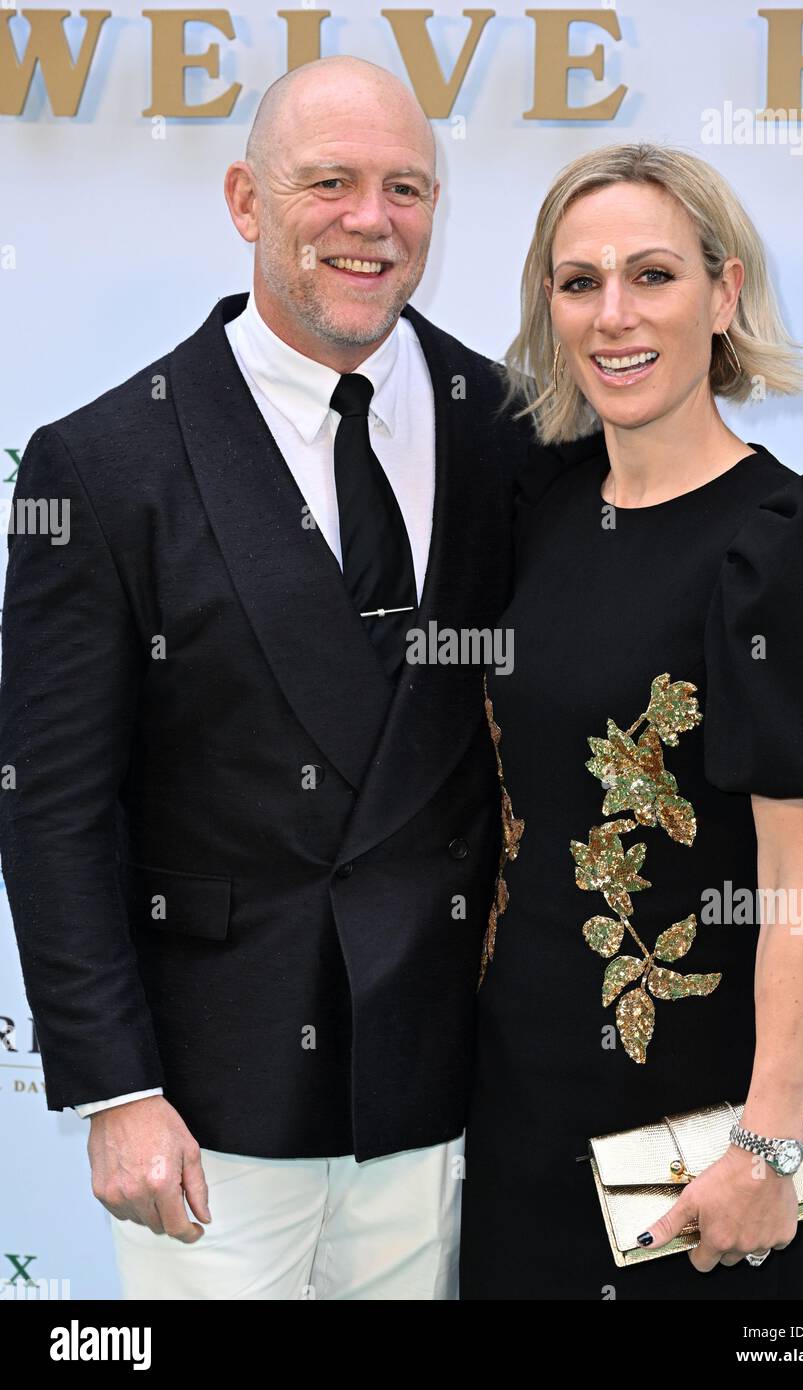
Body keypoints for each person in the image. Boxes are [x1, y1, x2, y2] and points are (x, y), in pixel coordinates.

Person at [0, 55, 532, 1300]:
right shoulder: (103, 461)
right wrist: (117, 1089)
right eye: (330, 182)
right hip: (207, 1112)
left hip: (442, 1089)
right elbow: (54, 802)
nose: (372, 220)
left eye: (407, 188)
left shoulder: (514, 429)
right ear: (247, 199)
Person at [458, 143, 803, 1300]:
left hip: (705, 1146)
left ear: (724, 292)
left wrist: (769, 1145)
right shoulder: (539, 512)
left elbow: (799, 891)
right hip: (517, 1111)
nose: (614, 314)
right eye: (579, 282)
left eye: (653, 275)